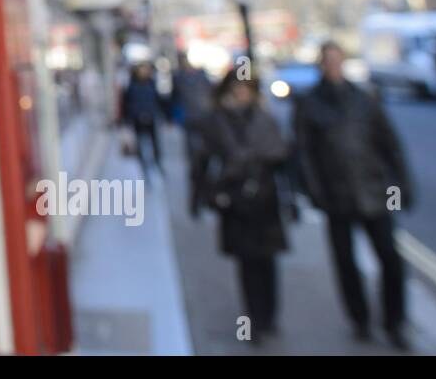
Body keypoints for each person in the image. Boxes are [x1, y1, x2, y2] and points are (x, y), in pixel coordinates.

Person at [293, 41, 416, 349]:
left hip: (373, 190)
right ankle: (359, 320)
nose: (333, 66)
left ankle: (394, 322)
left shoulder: (364, 98)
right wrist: (314, 192)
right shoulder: (309, 103)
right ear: (320, 65)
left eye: (338, 60)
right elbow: (304, 153)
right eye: (328, 61)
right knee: (346, 262)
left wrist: (401, 184)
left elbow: (389, 144)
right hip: (337, 196)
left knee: (390, 258)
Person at [190, 73, 291, 340]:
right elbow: (202, 161)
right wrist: (202, 197)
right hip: (236, 201)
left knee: (267, 261)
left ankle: (269, 316)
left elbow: (281, 154)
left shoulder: (265, 119)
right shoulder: (216, 122)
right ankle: (254, 321)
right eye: (236, 89)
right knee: (247, 264)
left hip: (265, 200)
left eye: (246, 89)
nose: (241, 94)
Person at [121, 62, 164, 175]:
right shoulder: (132, 86)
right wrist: (127, 120)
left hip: (151, 117)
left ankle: (157, 163)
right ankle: (143, 166)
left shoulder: (151, 83)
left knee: (155, 143)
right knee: (140, 143)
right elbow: (127, 104)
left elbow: (158, 100)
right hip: (137, 119)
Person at [170, 52, 214, 157]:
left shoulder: (201, 75)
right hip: (188, 114)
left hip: (202, 113)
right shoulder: (178, 77)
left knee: (204, 140)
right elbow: (175, 97)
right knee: (191, 143)